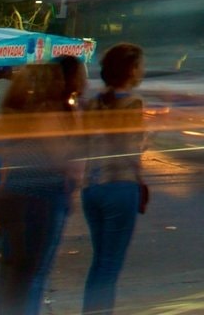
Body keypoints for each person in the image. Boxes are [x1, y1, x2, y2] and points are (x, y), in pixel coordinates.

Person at [0, 59, 84, 314]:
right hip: (41, 196)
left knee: (12, 271)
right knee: (34, 272)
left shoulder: (15, 112)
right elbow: (61, 158)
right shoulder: (48, 114)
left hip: (13, 192)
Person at [78, 44, 149, 315]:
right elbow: (132, 147)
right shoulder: (132, 103)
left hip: (91, 187)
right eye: (140, 65)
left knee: (100, 262)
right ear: (131, 70)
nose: (143, 70)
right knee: (110, 264)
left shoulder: (93, 103)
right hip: (120, 186)